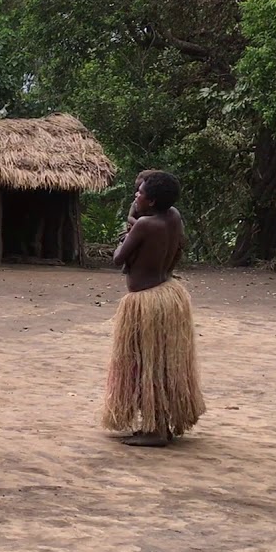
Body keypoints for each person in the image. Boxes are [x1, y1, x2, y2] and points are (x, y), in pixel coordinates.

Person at [104, 170, 205, 447]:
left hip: (146, 303)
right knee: (160, 363)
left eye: (141, 192)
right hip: (168, 295)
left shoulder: (145, 226)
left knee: (145, 365)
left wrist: (126, 234)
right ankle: (160, 423)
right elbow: (176, 246)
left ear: (151, 201)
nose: (136, 194)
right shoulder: (173, 216)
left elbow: (118, 259)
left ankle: (156, 431)